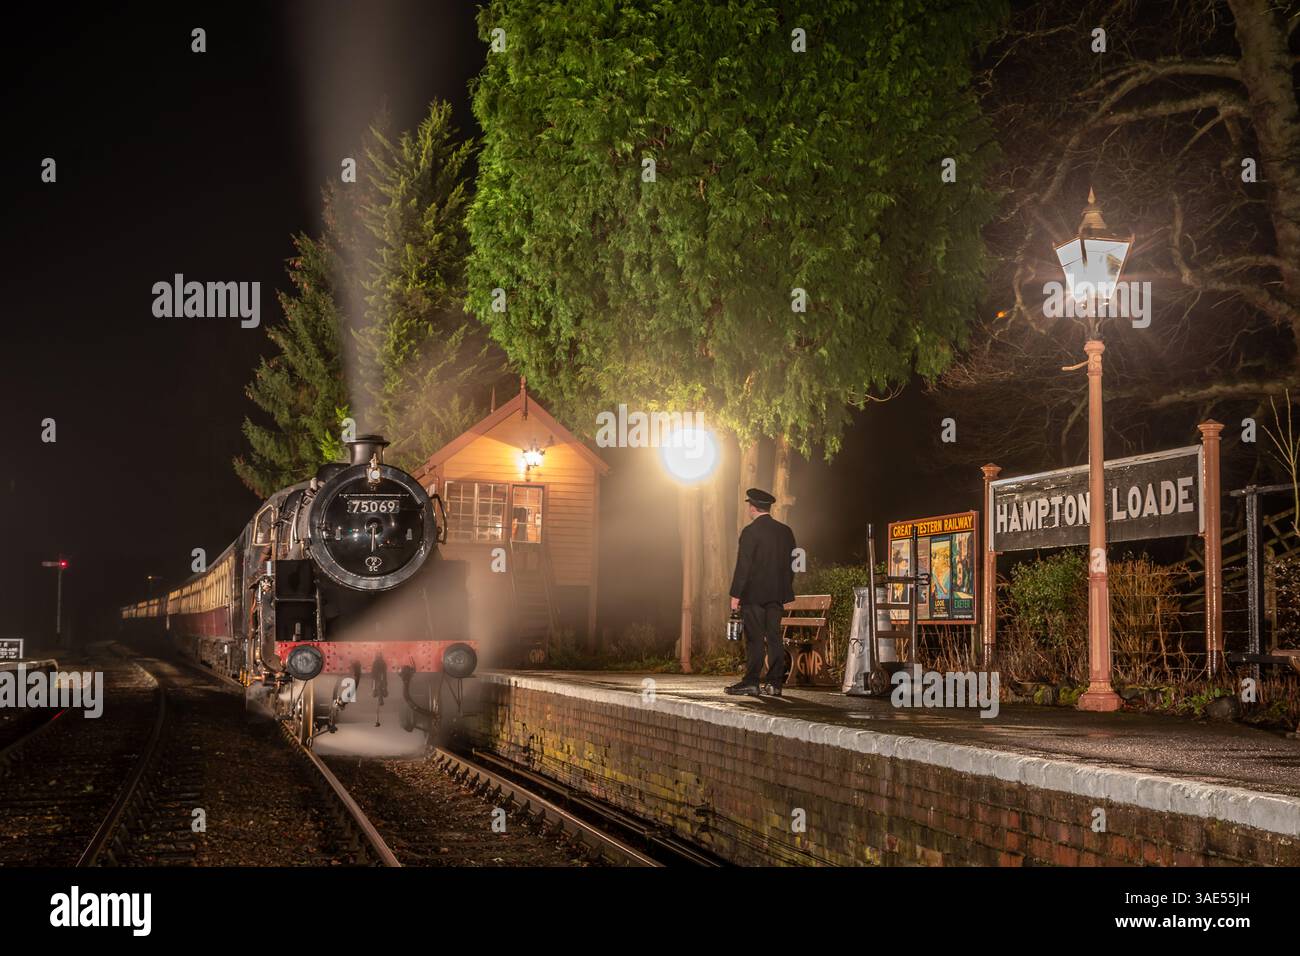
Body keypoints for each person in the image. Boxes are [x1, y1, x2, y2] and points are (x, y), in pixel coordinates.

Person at [726, 488, 797, 697]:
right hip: (776, 594)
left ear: (752, 508)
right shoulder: (786, 532)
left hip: (754, 595)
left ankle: (751, 682)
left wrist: (736, 594)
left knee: (755, 639)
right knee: (774, 637)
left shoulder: (750, 532)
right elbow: (794, 562)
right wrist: (785, 587)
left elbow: (743, 566)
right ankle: (775, 684)